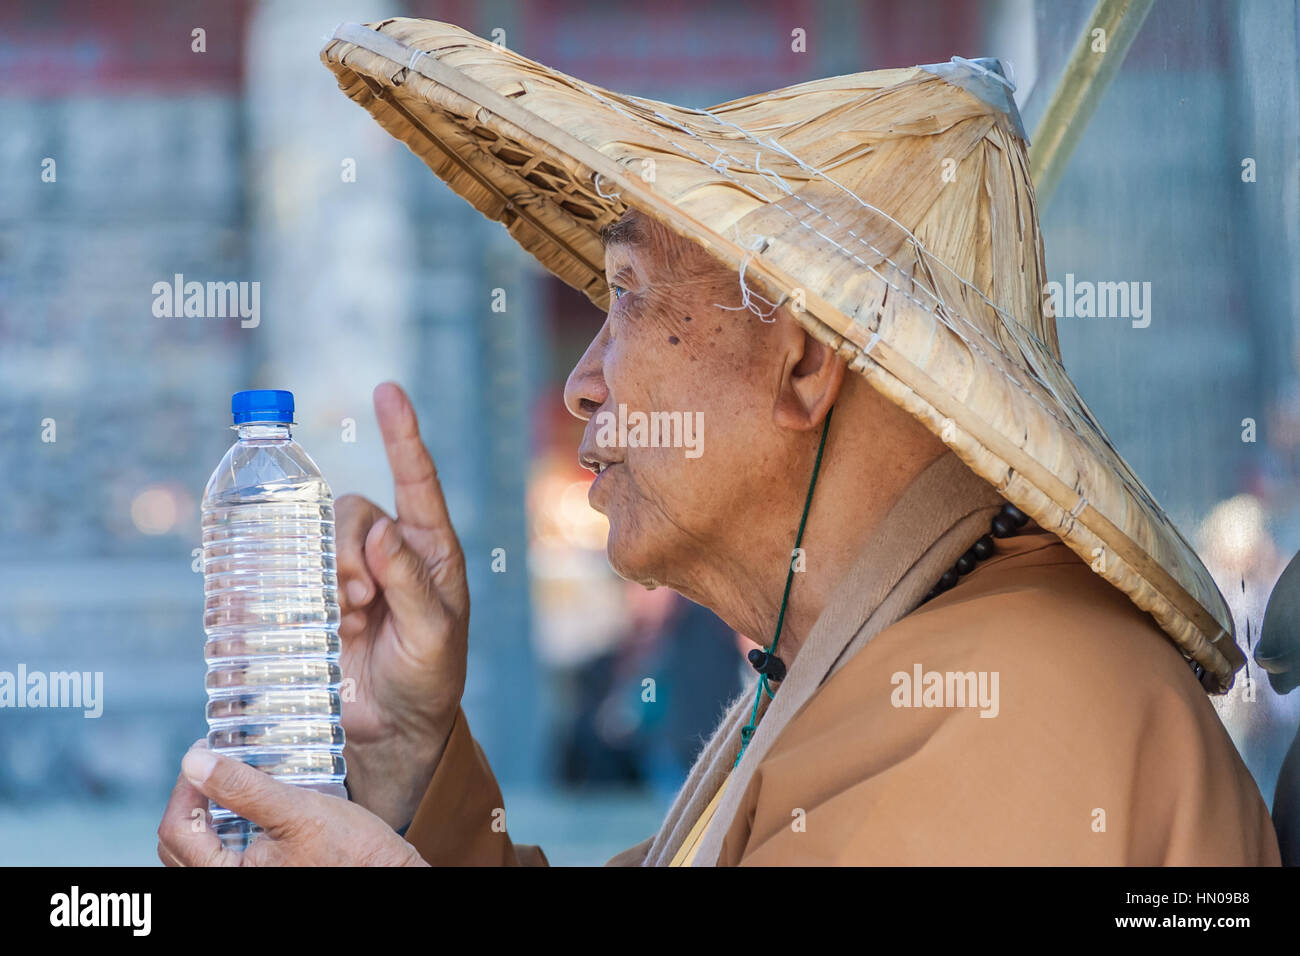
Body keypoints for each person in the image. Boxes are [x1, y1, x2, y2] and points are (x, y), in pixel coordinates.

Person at [157, 18, 1279, 866]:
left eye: (632, 297)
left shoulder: (1011, 694)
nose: (584, 384)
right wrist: (409, 753)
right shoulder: (864, 663)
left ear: (801, 364)